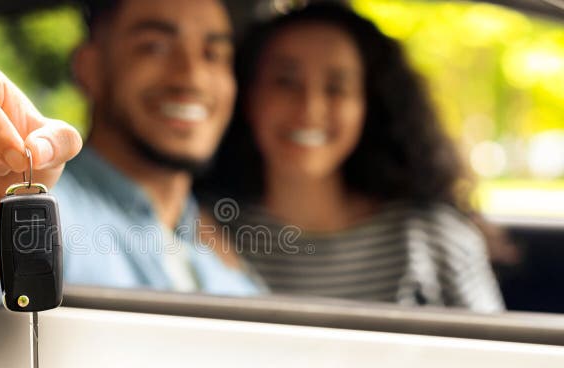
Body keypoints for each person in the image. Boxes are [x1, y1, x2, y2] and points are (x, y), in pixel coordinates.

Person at [0, 0, 263, 317]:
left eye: (214, 54)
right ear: (89, 67)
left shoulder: (214, 234)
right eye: (155, 47)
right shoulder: (49, 198)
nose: (191, 76)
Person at [202, 3, 504, 312]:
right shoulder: (198, 231)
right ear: (247, 97)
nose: (310, 109)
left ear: (367, 106)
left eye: (337, 88)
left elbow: (501, 358)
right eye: (285, 82)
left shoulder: (434, 239)